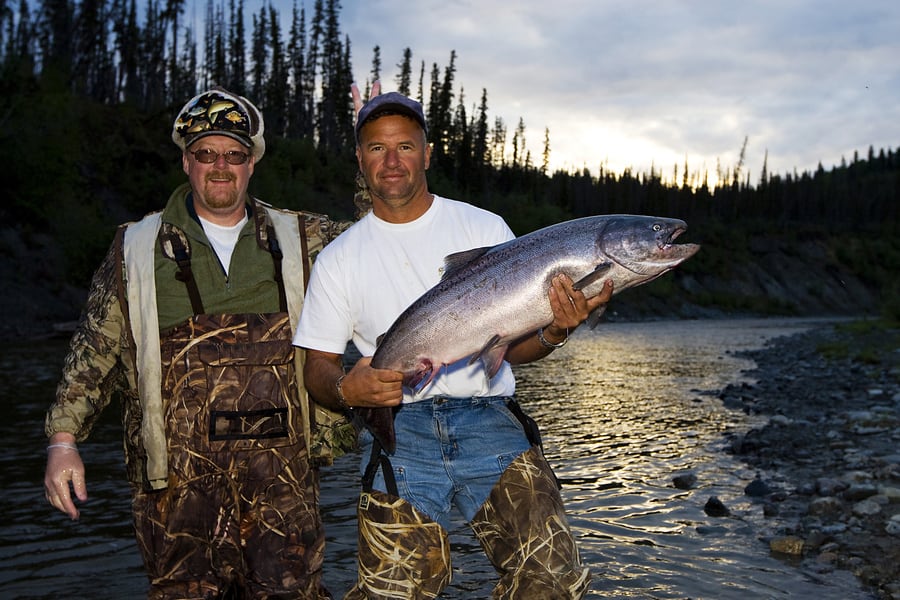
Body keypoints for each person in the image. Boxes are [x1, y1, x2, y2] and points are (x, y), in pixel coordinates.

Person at [294, 87, 614, 599]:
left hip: (489, 421)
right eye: (377, 147)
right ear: (360, 159)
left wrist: (556, 330)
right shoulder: (340, 258)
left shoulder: (484, 226)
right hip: (401, 431)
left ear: (427, 152)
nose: (392, 160)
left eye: (405, 146)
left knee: (553, 582)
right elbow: (318, 370)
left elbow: (515, 347)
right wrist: (347, 390)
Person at [43, 86, 354, 599]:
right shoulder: (134, 247)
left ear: (251, 163)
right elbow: (92, 354)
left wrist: (372, 141)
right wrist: (62, 441)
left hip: (285, 488)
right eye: (206, 153)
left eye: (234, 154)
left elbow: (386, 241)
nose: (220, 166)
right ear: (186, 161)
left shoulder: (306, 237)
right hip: (176, 494)